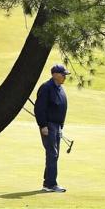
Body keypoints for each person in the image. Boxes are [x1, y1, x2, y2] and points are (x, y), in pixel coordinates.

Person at [34, 64, 70, 192]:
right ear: (55, 74)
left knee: (54, 155)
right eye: (63, 74)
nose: (65, 77)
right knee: (52, 154)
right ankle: (50, 185)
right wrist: (43, 125)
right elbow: (39, 108)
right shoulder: (46, 88)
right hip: (48, 125)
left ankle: (48, 184)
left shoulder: (59, 88)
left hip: (57, 126)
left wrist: (61, 126)